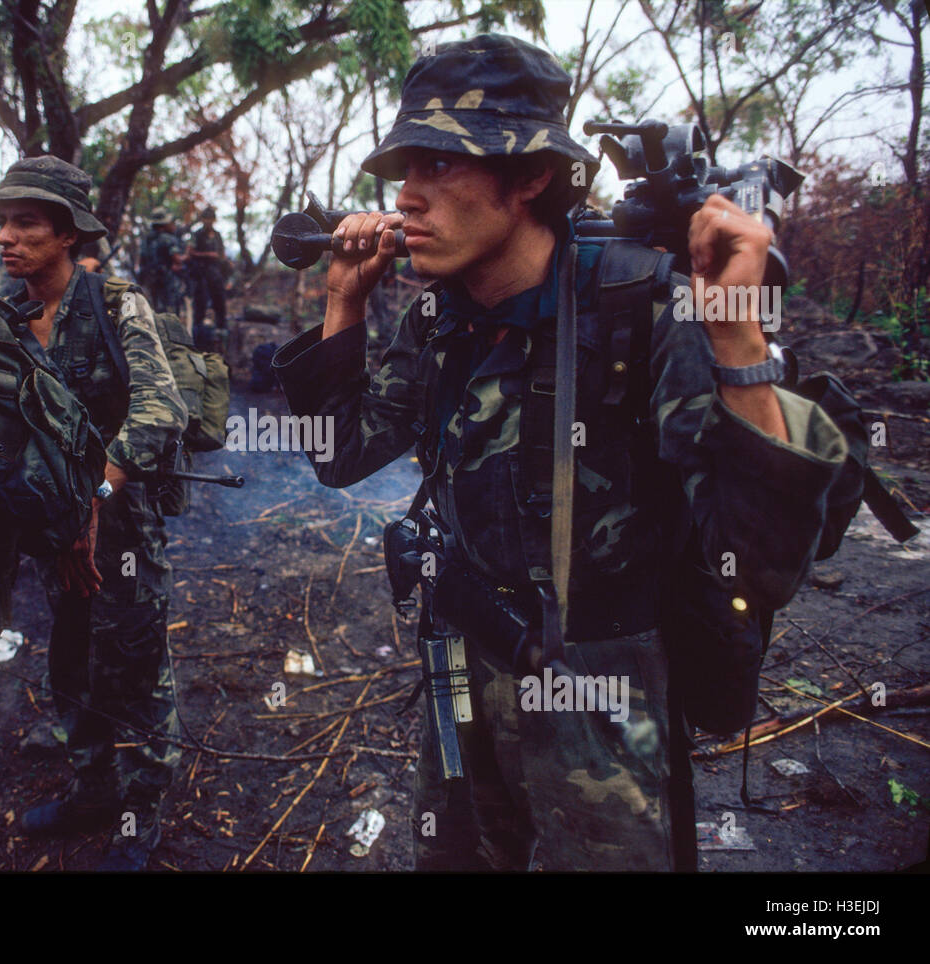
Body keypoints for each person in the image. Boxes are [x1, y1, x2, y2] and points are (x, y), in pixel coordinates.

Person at [272, 34, 849, 871]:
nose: (407, 196)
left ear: (530, 176)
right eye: (405, 171)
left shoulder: (640, 306)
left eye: (439, 166)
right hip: (462, 664)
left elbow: (757, 569)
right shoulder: (438, 320)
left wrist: (737, 341)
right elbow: (339, 456)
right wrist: (342, 307)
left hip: (600, 689)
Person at [0, 155, 188, 871]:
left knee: (137, 664)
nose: (6, 237)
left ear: (67, 235)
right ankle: (93, 787)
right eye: (3, 222)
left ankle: (145, 809)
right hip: (52, 532)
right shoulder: (3, 322)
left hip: (121, 526)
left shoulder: (116, 304)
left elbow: (163, 409)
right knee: (69, 661)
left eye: (26, 223)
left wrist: (95, 494)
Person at [188, 205, 229, 349]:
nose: (209, 222)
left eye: (211, 219)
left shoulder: (217, 235)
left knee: (220, 304)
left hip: (215, 273)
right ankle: (197, 341)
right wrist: (207, 255)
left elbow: (222, 254)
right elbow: (190, 252)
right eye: (206, 219)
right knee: (200, 306)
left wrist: (224, 263)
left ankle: (222, 338)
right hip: (200, 273)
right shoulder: (197, 234)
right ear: (203, 220)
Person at [141, 208, 187, 317]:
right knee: (170, 312)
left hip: (151, 279)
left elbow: (142, 259)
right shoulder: (168, 239)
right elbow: (177, 259)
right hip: (167, 279)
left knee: (156, 310)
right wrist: (187, 256)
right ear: (163, 224)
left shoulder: (147, 239)